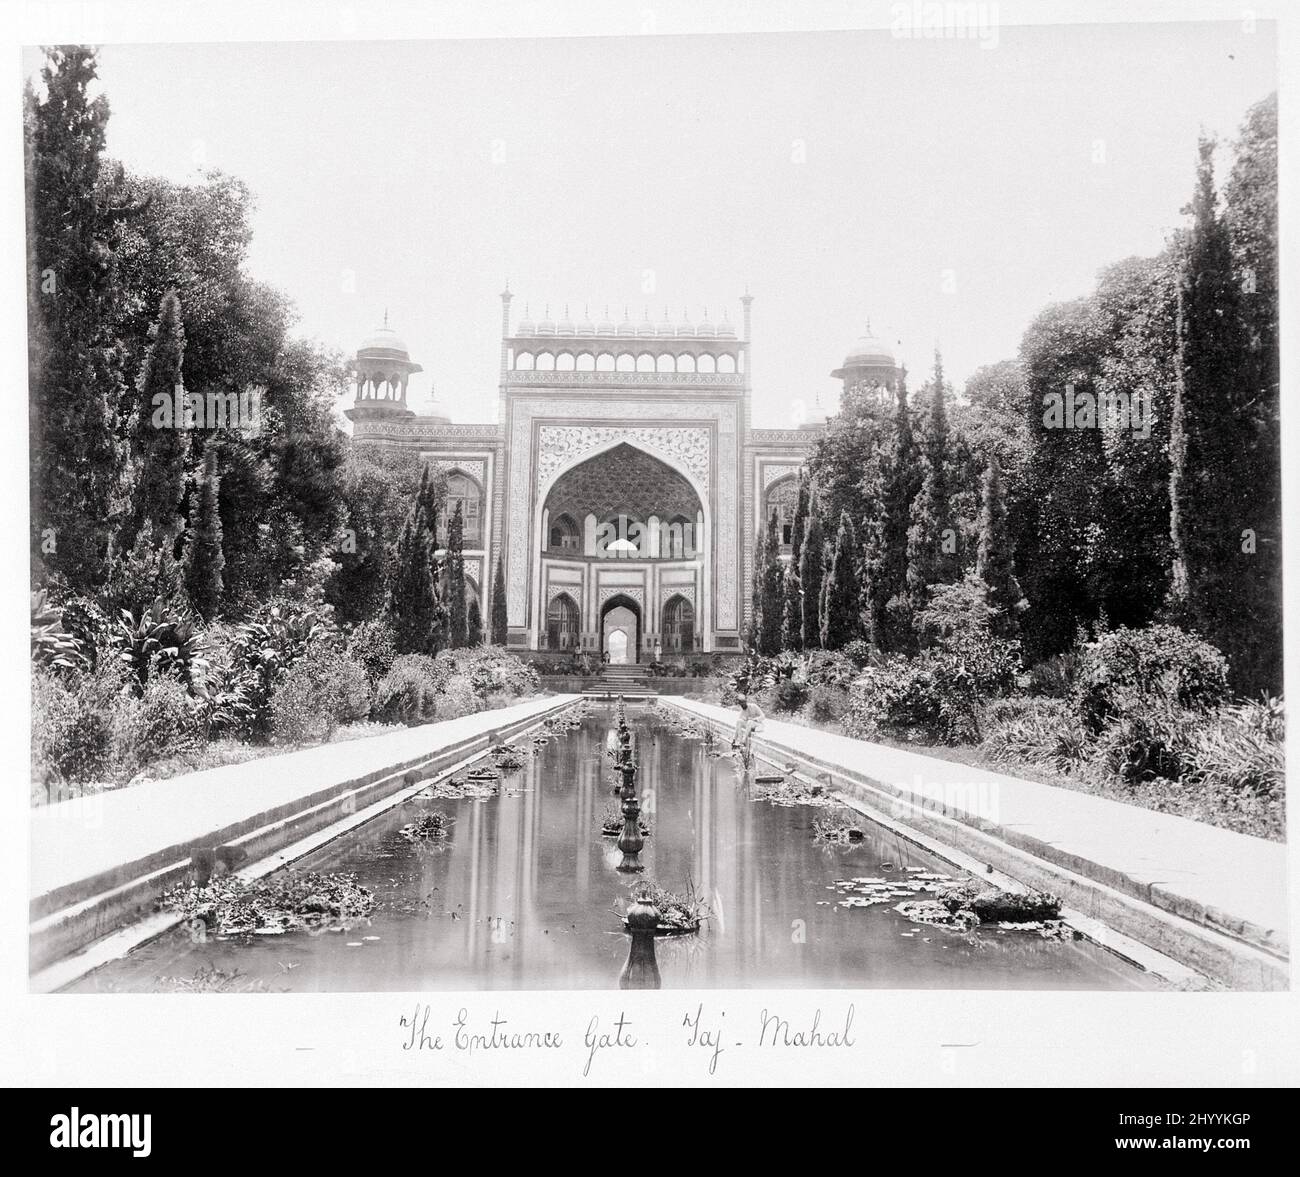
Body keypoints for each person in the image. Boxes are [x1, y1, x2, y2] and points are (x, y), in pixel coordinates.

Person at [732, 694, 765, 760]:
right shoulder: (742, 710)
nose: (742, 705)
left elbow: (763, 716)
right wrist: (734, 738)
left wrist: (754, 719)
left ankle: (743, 740)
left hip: (757, 725)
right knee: (739, 721)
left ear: (746, 702)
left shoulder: (753, 706)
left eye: (743, 703)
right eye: (741, 704)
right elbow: (738, 725)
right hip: (749, 726)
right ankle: (740, 740)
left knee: (749, 721)